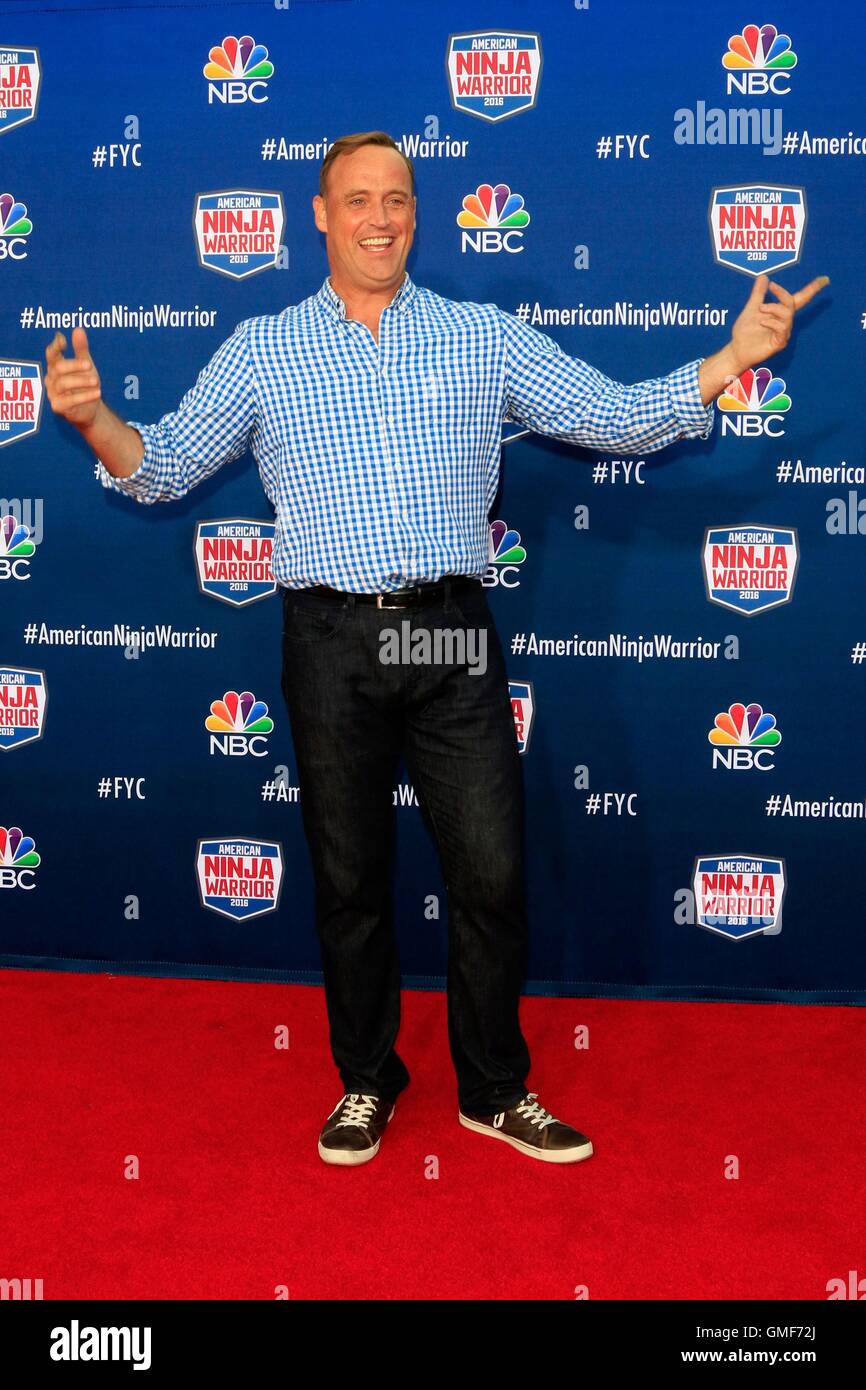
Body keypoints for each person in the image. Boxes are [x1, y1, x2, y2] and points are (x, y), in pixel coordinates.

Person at [45, 130, 828, 1168]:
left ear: (417, 212)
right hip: (326, 635)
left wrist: (729, 360)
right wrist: (97, 419)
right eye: (357, 199)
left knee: (492, 872)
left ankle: (494, 1088)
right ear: (317, 216)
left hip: (449, 628)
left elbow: (611, 414)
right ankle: (366, 1080)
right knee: (348, 877)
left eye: (397, 199)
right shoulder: (262, 347)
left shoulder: (480, 336)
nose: (379, 217)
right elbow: (166, 465)